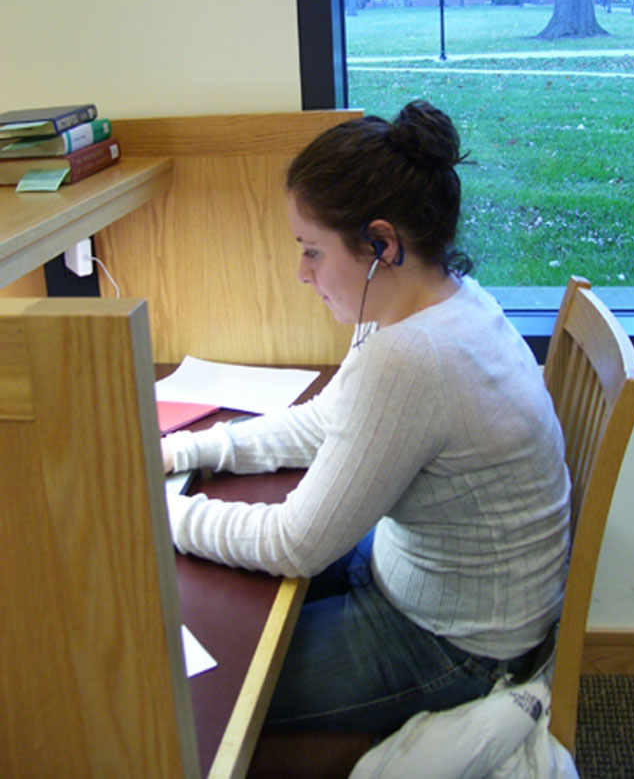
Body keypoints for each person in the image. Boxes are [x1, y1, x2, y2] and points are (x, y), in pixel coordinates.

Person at [163, 100, 571, 735]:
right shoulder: (445, 305)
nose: (302, 274)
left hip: (457, 650)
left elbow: (295, 544)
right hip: (422, 585)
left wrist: (160, 513)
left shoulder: (413, 357)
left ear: (382, 243)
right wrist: (192, 451)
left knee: (192, 695)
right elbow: (327, 421)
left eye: (312, 251)